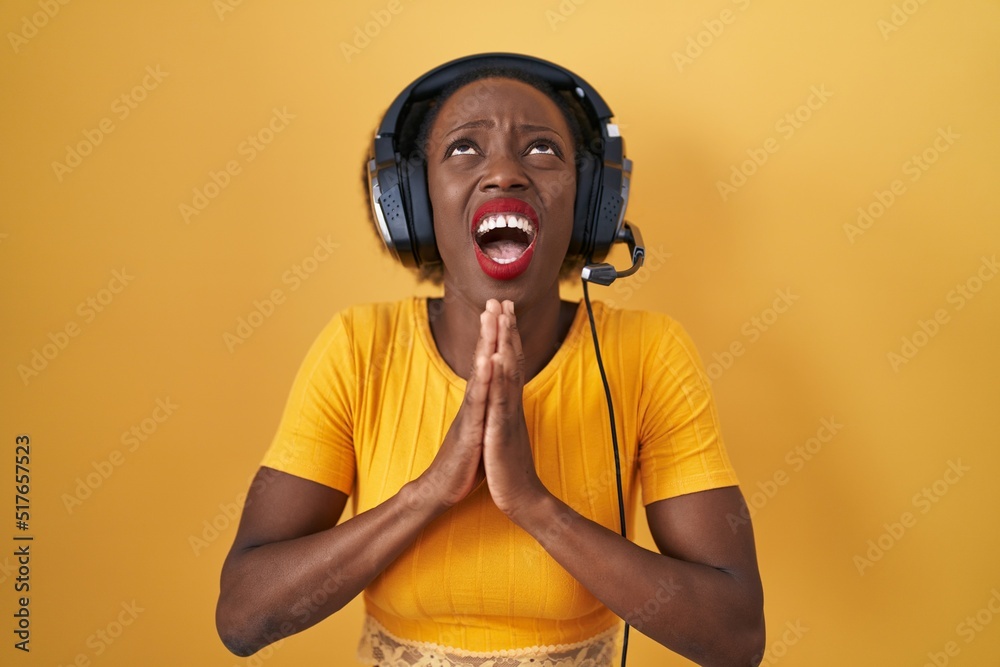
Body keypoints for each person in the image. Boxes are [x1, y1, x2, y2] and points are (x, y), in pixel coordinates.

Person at [216, 53, 765, 667]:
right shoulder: (356, 347)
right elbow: (243, 617)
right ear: (412, 205)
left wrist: (533, 505)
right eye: (462, 150)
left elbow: (735, 637)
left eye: (541, 151)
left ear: (591, 206)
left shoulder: (650, 354)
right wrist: (427, 493)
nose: (504, 173)